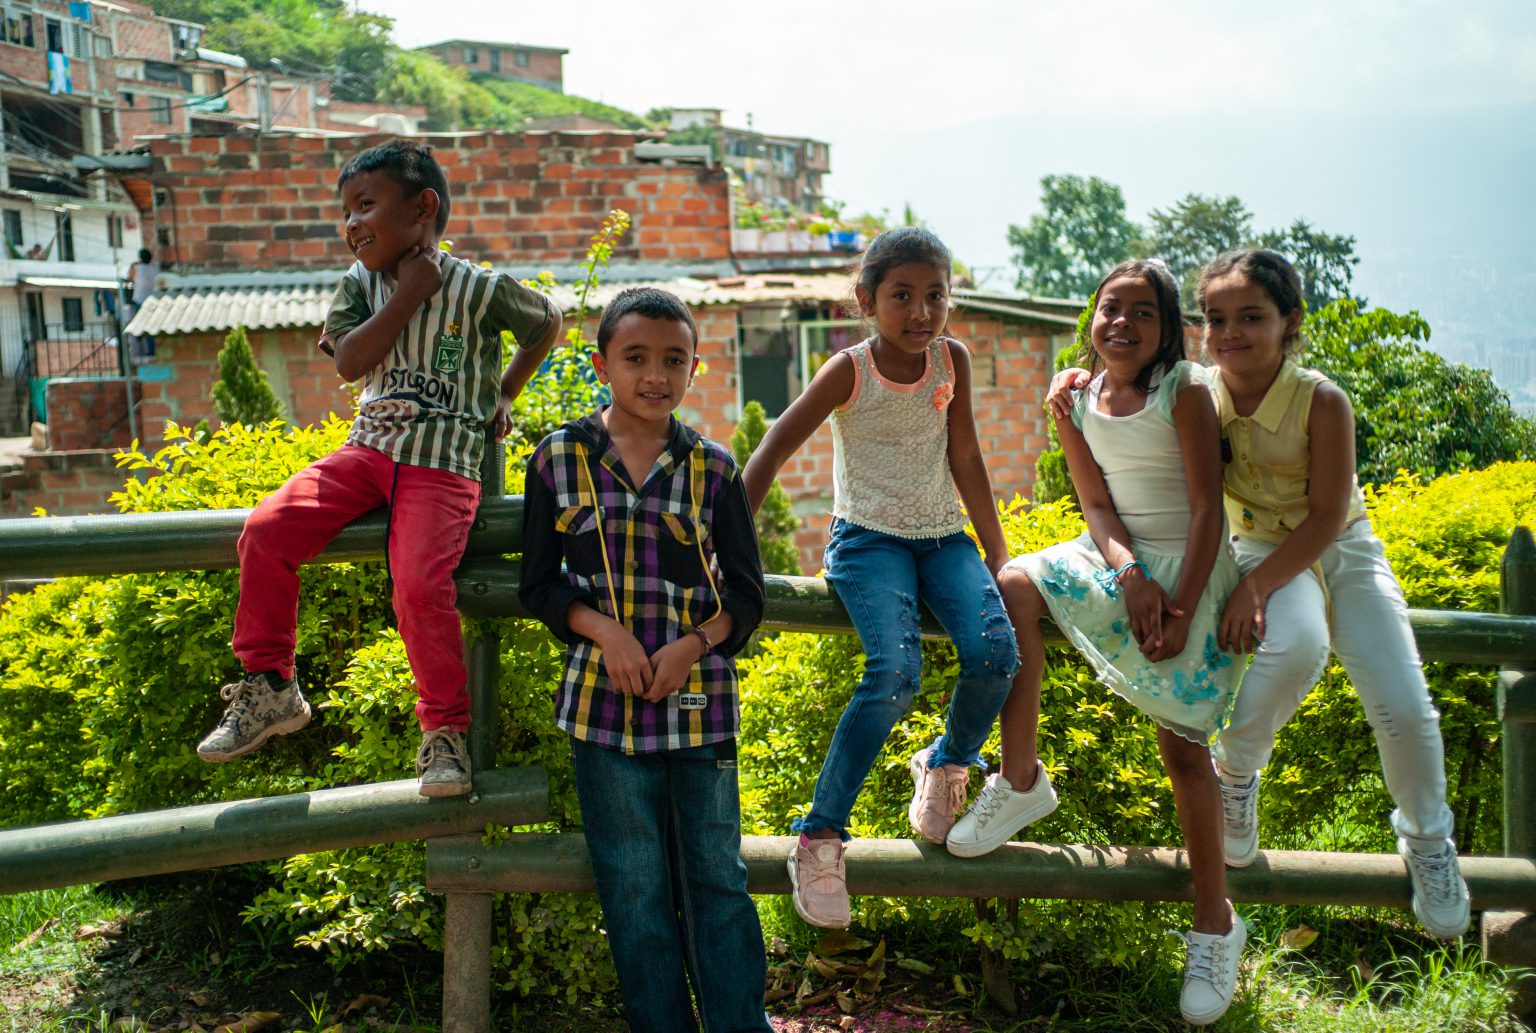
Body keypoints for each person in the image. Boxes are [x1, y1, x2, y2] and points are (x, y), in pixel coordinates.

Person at [195, 139, 562, 798]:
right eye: (346, 211)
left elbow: (547, 323)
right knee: (266, 529)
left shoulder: (478, 289)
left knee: (419, 583)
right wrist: (408, 293)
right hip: (367, 452)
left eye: (366, 205)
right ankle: (271, 684)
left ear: (423, 207)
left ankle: (445, 734)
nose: (352, 224)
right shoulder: (356, 286)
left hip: (443, 464)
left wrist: (503, 393)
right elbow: (350, 362)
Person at [969, 260, 1246, 1025]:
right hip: (1117, 558)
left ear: (1167, 329)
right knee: (1015, 583)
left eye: (1142, 313)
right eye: (1109, 308)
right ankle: (1021, 778)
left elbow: (1205, 509)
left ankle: (1215, 923)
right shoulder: (1075, 397)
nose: (1121, 323)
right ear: (1091, 318)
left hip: (1192, 564)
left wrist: (1183, 605)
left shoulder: (1182, 389)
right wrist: (1129, 578)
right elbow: (1093, 500)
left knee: (1183, 749)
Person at [741, 227, 1019, 931]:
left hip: (941, 536)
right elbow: (772, 448)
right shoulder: (849, 370)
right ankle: (820, 836)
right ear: (866, 300)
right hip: (866, 538)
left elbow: (967, 457)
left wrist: (996, 550)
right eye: (902, 295)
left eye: (936, 295)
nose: (921, 311)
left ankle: (949, 761)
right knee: (895, 669)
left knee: (996, 650)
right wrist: (727, 546)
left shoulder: (949, 360)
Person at [519, 287, 771, 1033]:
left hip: (701, 710)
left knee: (717, 881)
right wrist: (605, 630)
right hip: (603, 713)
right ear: (602, 364)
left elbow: (748, 599)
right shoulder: (558, 457)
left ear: (695, 367)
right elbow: (538, 584)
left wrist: (693, 645)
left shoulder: (714, 469)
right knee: (633, 890)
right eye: (635, 358)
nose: (654, 375)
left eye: (673, 359)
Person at [1198, 249, 1470, 936]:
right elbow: (1131, 402)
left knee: (1406, 708)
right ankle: (1235, 772)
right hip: (1258, 542)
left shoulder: (1322, 398)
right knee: (1292, 650)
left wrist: (1251, 588)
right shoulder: (1199, 395)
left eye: (1251, 317)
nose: (1230, 333)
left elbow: (1324, 517)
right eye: (1216, 318)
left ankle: (1427, 839)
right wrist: (1076, 383)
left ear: (1290, 320)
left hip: (1342, 546)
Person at [126, 248, 160, 362]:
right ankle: (154, 349)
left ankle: (147, 350)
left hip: (140, 300)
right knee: (154, 325)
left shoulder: (137, 268)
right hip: (154, 299)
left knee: (143, 326)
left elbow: (129, 277)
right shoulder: (155, 268)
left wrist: (133, 264)